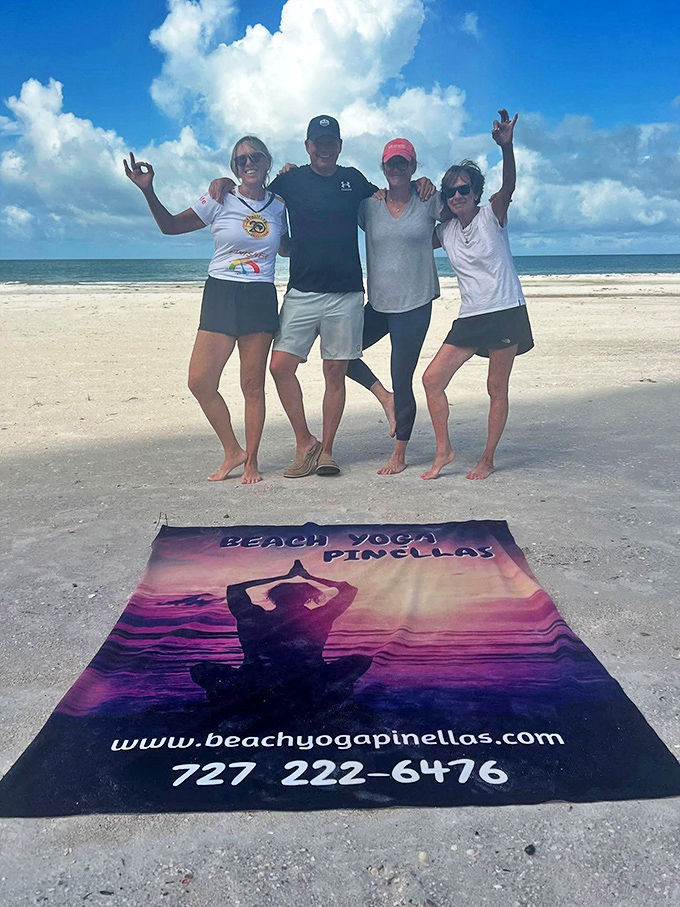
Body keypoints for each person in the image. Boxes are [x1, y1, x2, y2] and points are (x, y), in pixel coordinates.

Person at [209, 116, 434, 478]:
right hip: (301, 291)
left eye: (330, 142)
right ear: (308, 147)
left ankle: (327, 451)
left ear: (339, 146)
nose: (324, 149)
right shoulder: (290, 180)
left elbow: (391, 195)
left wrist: (421, 183)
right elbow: (256, 191)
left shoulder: (354, 180)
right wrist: (225, 182)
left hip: (345, 294)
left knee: (334, 371)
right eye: (318, 143)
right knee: (280, 367)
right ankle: (306, 443)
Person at [123, 137, 288, 484]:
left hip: (259, 296)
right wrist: (148, 191)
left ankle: (251, 461)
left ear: (267, 162)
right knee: (200, 381)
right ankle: (233, 450)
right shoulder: (219, 197)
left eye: (255, 157)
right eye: (241, 160)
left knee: (252, 385)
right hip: (221, 293)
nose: (249, 164)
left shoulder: (279, 205)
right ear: (234, 168)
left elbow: (287, 247)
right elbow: (170, 226)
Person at [421, 109, 534, 481]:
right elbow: (409, 233)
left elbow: (509, 187)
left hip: (504, 311)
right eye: (451, 191)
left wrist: (507, 148)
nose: (457, 195)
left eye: (464, 189)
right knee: (432, 380)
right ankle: (444, 450)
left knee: (495, 387)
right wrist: (409, 190)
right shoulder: (446, 232)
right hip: (470, 316)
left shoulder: (492, 215)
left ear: (475, 193)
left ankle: (487, 458)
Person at [346, 138, 440, 475]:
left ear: (413, 166)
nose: (397, 168)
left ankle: (399, 454)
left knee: (402, 378)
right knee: (339, 352)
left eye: (403, 162)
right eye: (391, 163)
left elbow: (458, 220)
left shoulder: (428, 200)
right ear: (383, 168)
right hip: (379, 303)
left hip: (414, 304)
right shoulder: (369, 207)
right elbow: (332, 206)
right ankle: (384, 397)